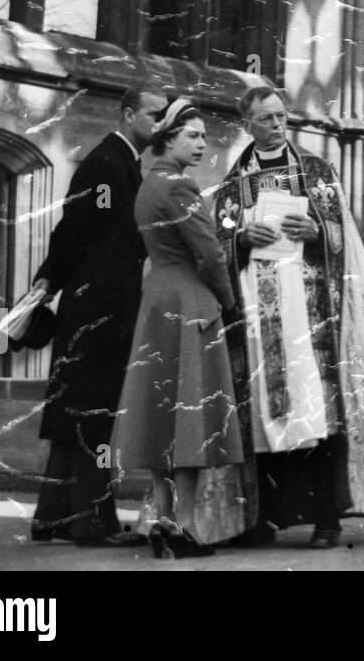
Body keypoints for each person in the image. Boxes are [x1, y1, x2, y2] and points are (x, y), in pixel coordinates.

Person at [214, 85, 364, 548]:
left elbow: (344, 238)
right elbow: (219, 242)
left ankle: (327, 519)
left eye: (281, 115)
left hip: (311, 315)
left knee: (321, 415)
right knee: (264, 422)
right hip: (257, 317)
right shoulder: (233, 181)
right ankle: (264, 520)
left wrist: (316, 230)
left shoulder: (316, 170)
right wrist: (240, 239)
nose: (276, 124)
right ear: (247, 124)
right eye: (265, 118)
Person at [29, 83, 168, 547]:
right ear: (129, 114)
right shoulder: (110, 163)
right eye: (154, 114)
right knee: (93, 412)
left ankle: (51, 518)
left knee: (75, 412)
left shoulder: (119, 161)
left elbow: (75, 228)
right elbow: (78, 227)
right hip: (99, 307)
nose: (160, 123)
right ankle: (94, 523)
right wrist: (49, 277)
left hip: (91, 304)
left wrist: (50, 277)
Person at [111, 98, 248, 559]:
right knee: (192, 419)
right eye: (192, 135)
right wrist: (229, 301)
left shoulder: (151, 184)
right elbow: (209, 254)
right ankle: (182, 524)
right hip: (191, 301)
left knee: (163, 417)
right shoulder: (182, 188)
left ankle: (163, 520)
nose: (201, 143)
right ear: (167, 137)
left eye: (205, 137)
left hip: (159, 300)